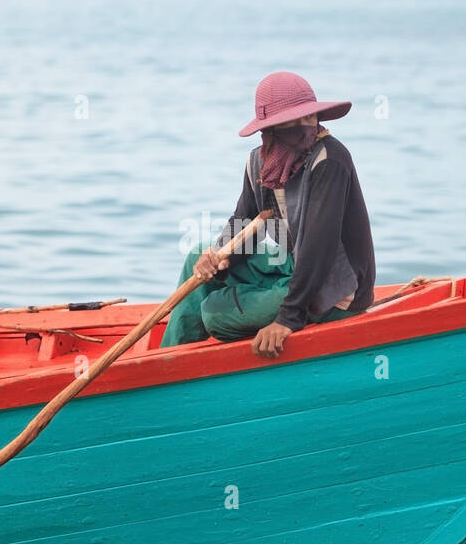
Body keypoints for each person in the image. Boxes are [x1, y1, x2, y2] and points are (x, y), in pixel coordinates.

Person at [161, 71, 376, 358]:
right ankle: (169, 360)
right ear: (270, 131)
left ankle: (249, 307)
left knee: (214, 313)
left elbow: (318, 249)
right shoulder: (259, 164)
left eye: (309, 118)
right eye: (292, 122)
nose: (305, 128)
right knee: (197, 257)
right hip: (292, 268)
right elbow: (245, 224)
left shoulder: (330, 160)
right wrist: (217, 259)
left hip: (335, 291)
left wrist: (287, 319)